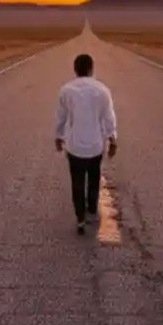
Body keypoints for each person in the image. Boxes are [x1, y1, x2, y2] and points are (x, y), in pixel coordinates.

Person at [54, 53, 117, 235]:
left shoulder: (66, 90)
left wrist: (58, 137)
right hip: (95, 145)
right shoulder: (102, 90)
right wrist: (112, 139)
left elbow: (60, 117)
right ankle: (92, 208)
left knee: (77, 181)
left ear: (75, 70)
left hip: (75, 146)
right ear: (91, 69)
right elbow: (109, 118)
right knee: (94, 177)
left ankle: (80, 218)